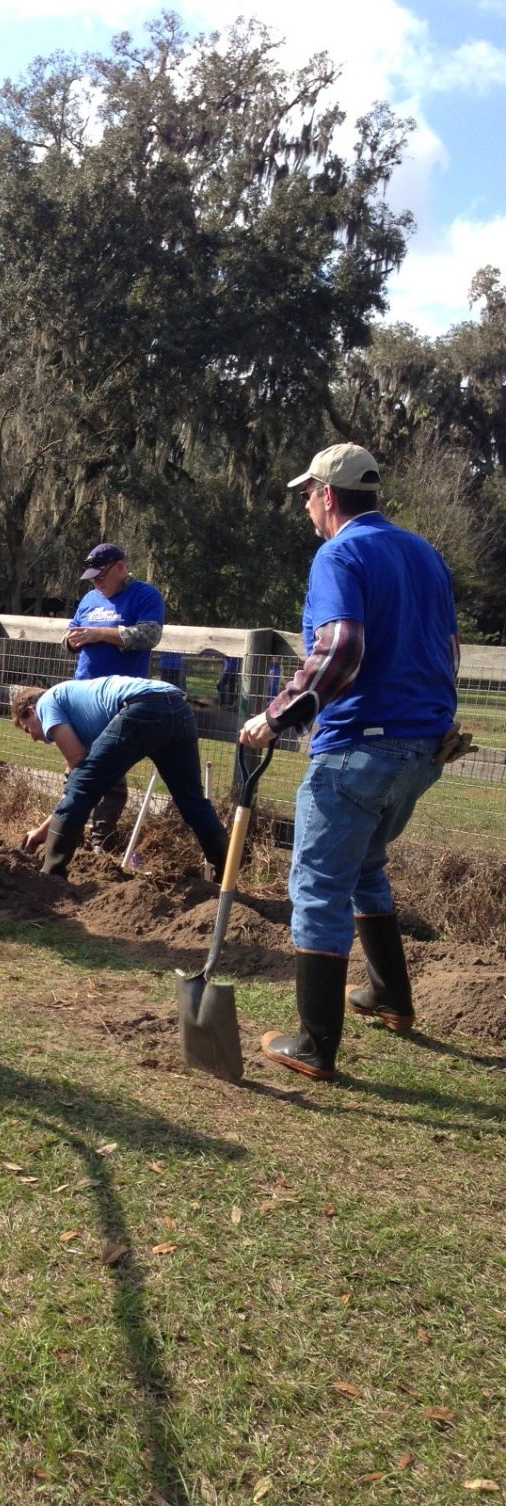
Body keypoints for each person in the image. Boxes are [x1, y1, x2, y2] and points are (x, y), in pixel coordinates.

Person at [240, 443, 459, 1082]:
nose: (306, 506)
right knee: (365, 866)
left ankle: (313, 1043)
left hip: (359, 746)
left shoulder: (339, 553)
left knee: (317, 885)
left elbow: (341, 647)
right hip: (421, 750)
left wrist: (277, 714)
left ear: (328, 497)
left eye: (307, 495)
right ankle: (390, 995)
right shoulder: (425, 554)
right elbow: (447, 650)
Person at [13, 677, 229, 879]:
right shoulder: (82, 715)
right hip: (178, 706)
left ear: (32, 711)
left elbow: (78, 769)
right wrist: (44, 830)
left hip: (144, 707)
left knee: (80, 786)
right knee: (191, 800)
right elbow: (86, 771)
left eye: (26, 729)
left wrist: (46, 829)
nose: (32, 737)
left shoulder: (47, 702)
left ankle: (51, 875)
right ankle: (225, 876)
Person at [64, 543, 166, 848]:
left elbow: (149, 635)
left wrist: (100, 634)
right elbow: (69, 634)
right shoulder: (89, 599)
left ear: (121, 568)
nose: (96, 583)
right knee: (77, 763)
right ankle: (70, 831)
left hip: (120, 700)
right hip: (82, 695)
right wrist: (72, 640)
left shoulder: (146, 596)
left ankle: (101, 839)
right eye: (92, 578)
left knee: (109, 768)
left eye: (101, 576)